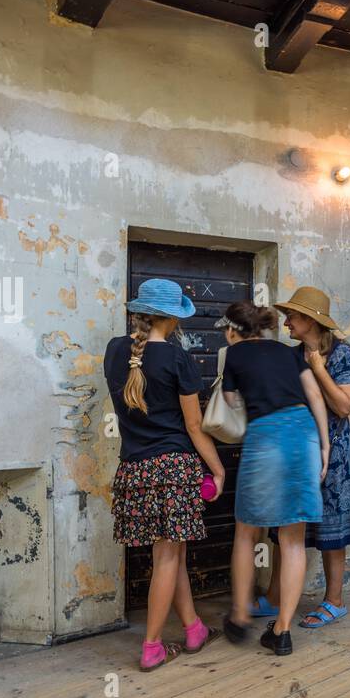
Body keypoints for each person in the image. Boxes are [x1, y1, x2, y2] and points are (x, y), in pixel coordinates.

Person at [104, 278, 227, 671]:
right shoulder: (177, 360)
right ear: (173, 318)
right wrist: (218, 468)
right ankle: (153, 645)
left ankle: (193, 629)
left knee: (174, 553)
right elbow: (194, 427)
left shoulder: (113, 351)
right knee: (168, 557)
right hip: (173, 468)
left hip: (133, 469)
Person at [218, 301, 329, 656]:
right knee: (293, 536)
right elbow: (314, 396)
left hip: (266, 435)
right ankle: (282, 630)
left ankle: (239, 616)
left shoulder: (233, 355)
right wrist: (325, 446)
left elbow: (231, 403)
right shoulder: (287, 352)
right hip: (305, 433)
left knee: (246, 530)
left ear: (234, 330)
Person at [249, 287, 350, 628]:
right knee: (286, 525)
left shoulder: (342, 354)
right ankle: (274, 596)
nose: (286, 322)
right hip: (296, 451)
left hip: (334, 456)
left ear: (311, 320)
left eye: (293, 316)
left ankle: (335, 601)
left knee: (332, 526)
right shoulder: (289, 356)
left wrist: (317, 367)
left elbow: (344, 407)